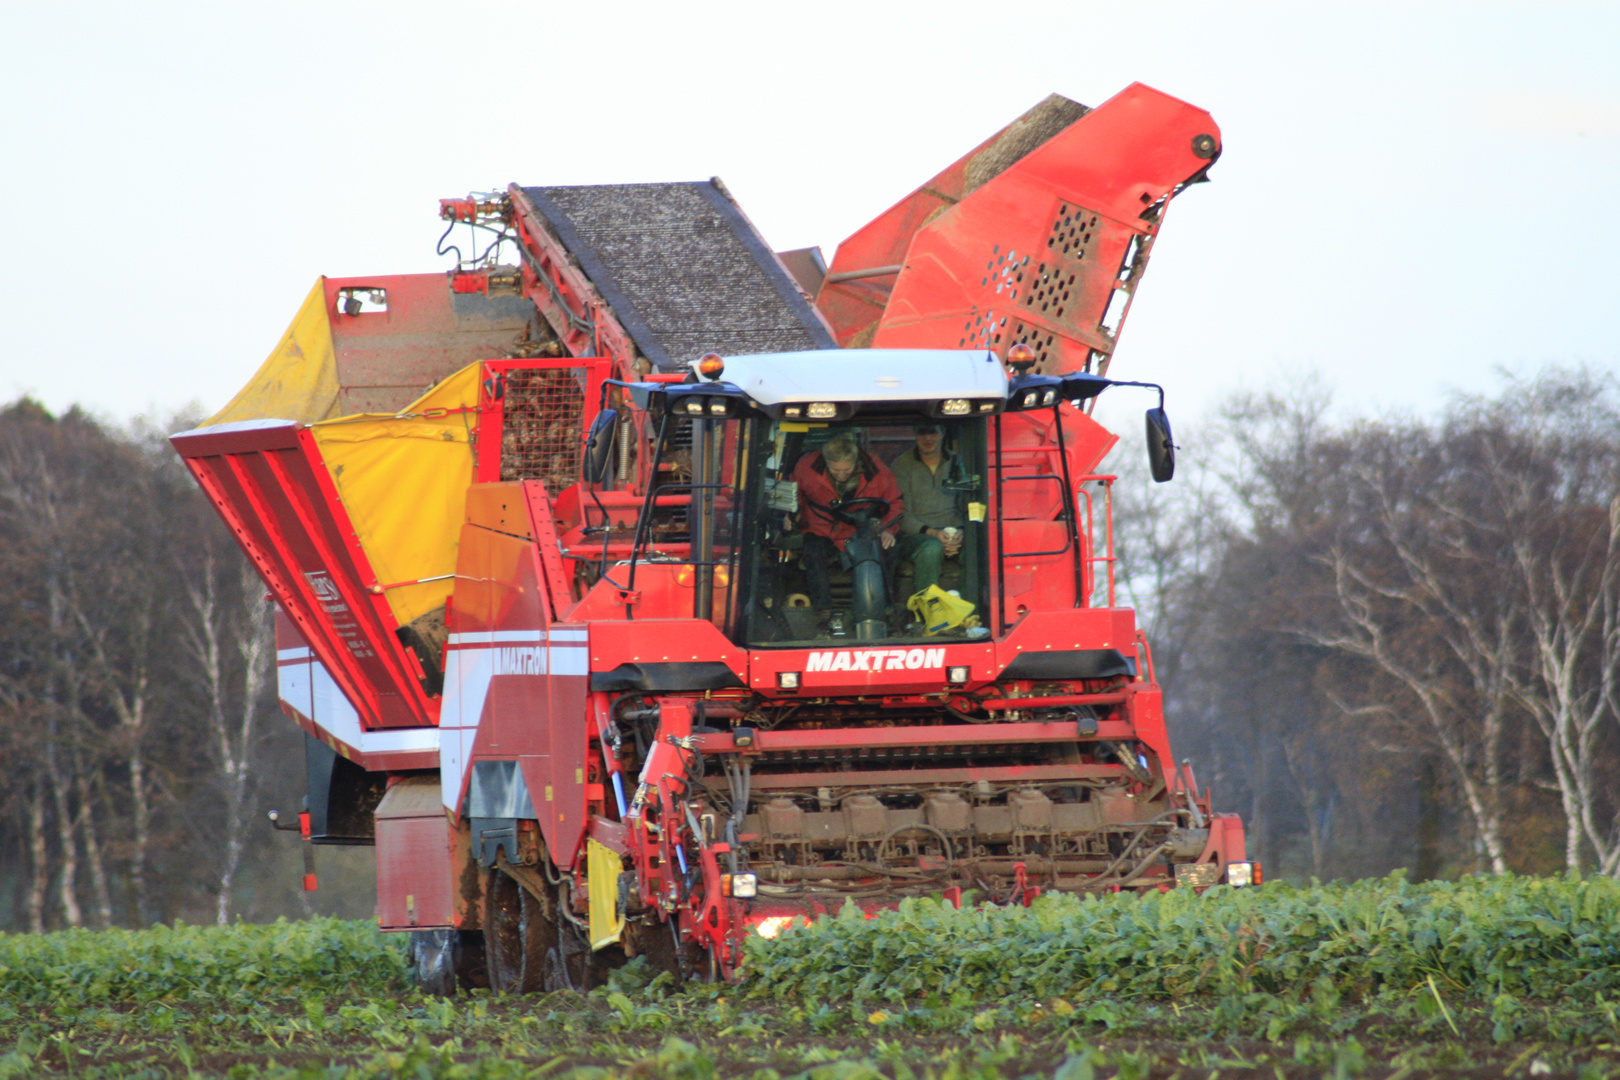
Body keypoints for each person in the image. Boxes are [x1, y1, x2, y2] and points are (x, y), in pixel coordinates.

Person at [793, 430, 903, 634]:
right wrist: (794, 515)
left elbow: (895, 503)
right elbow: (794, 493)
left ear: (856, 461)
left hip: (863, 530)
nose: (842, 474)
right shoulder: (806, 468)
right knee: (812, 550)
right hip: (823, 529)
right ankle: (824, 613)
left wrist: (888, 530)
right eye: (836, 471)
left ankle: (886, 609)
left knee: (889, 550)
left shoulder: (877, 470)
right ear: (826, 463)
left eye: (847, 469)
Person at [890, 421, 964, 597]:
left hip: (953, 532)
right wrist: (933, 534)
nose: (928, 438)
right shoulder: (901, 465)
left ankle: (970, 611)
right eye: (922, 433)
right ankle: (927, 610)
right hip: (916, 535)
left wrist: (961, 532)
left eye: (933, 432)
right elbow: (899, 512)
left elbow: (968, 503)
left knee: (978, 549)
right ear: (915, 434)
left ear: (942, 433)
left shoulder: (958, 461)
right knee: (932, 548)